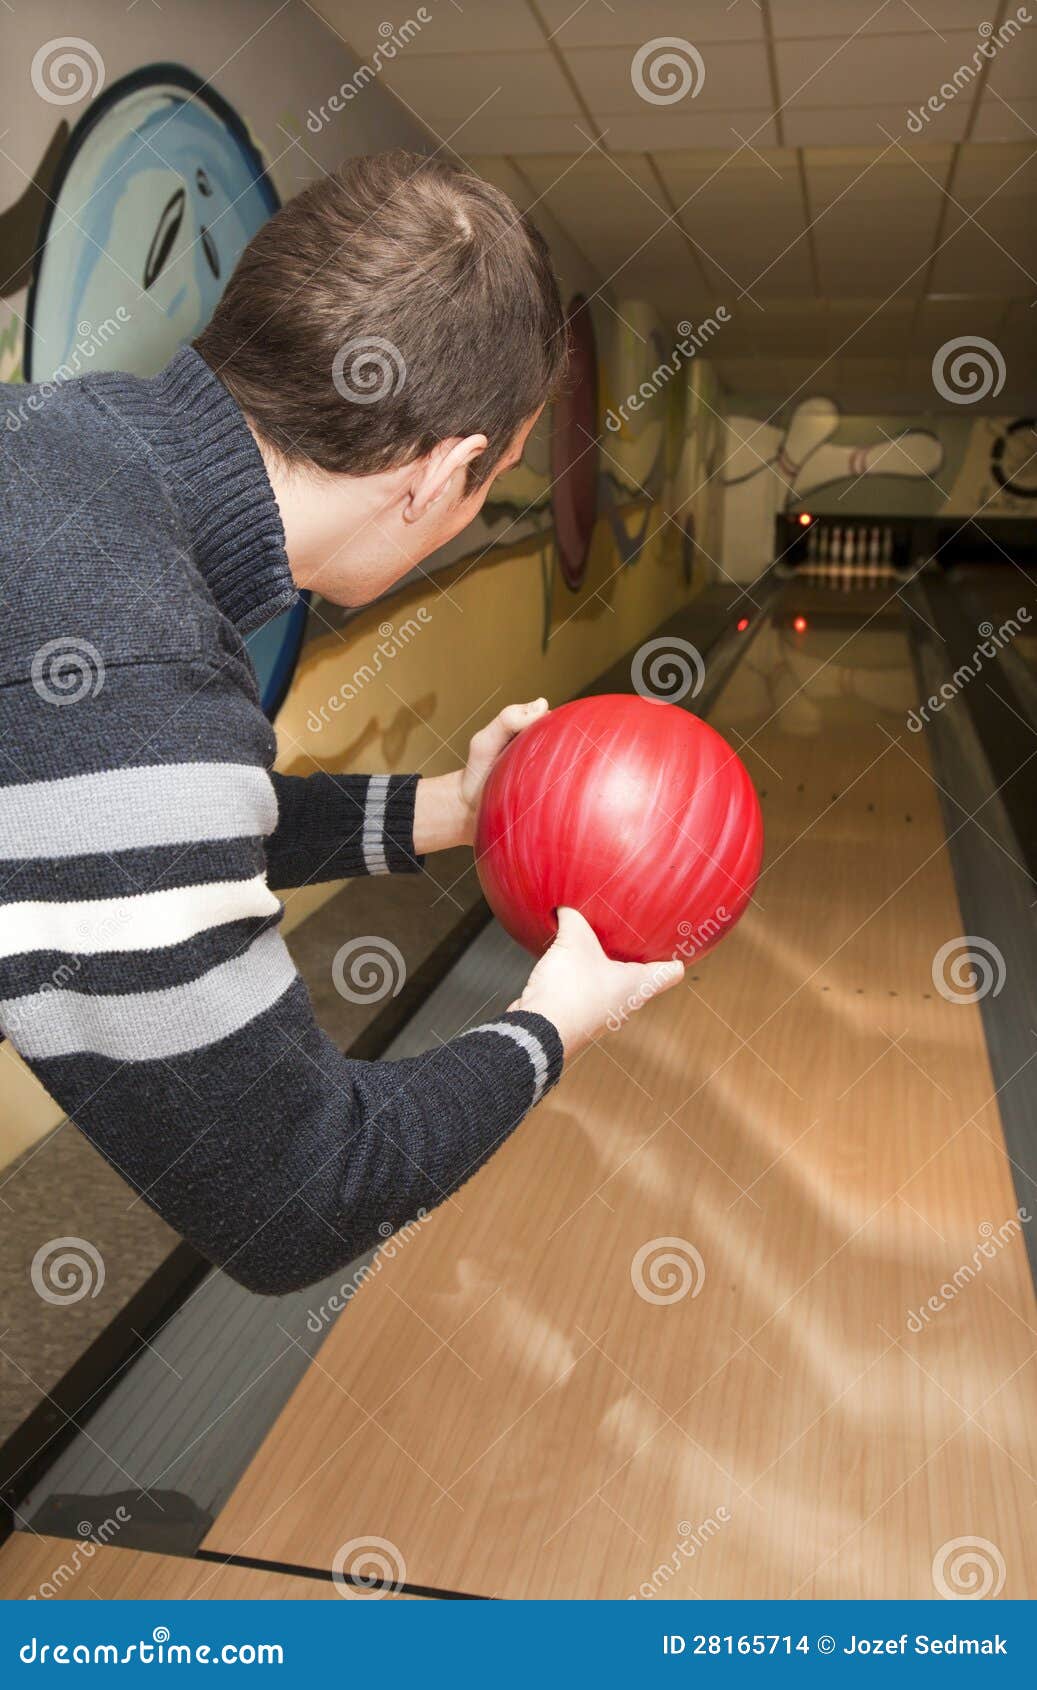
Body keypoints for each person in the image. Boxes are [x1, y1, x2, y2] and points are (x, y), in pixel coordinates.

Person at [0, 151, 682, 1294]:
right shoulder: (134, 657)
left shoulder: (60, 451)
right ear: (441, 472)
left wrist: (448, 811)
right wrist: (550, 1024)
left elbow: (136, 837)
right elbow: (298, 1195)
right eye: (494, 479)